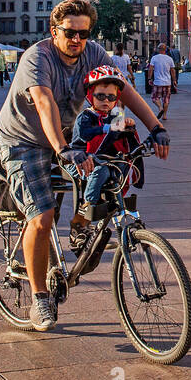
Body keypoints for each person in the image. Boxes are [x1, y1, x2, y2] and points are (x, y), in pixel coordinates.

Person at [0, 0, 170, 331]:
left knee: (104, 173)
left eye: (83, 33)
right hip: (24, 140)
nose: (77, 40)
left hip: (66, 135)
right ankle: (39, 299)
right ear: (54, 30)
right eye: (70, 32)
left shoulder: (93, 54)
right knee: (43, 216)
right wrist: (62, 148)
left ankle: (80, 224)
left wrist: (157, 128)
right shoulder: (38, 57)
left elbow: (124, 92)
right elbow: (44, 102)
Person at [66, 66, 138, 253]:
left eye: (111, 97)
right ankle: (84, 217)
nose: (106, 101)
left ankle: (114, 212)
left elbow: (121, 131)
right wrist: (107, 129)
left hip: (103, 159)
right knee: (100, 171)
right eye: (101, 96)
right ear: (90, 95)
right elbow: (86, 134)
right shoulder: (86, 116)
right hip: (79, 160)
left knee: (120, 168)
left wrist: (128, 124)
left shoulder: (114, 115)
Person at [147, 42, 175, 120]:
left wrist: (149, 78)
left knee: (154, 97)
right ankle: (165, 116)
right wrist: (174, 80)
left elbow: (150, 69)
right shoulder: (169, 59)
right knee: (166, 99)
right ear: (165, 50)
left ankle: (160, 108)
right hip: (167, 82)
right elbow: (172, 70)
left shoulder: (154, 58)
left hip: (158, 82)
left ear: (159, 49)